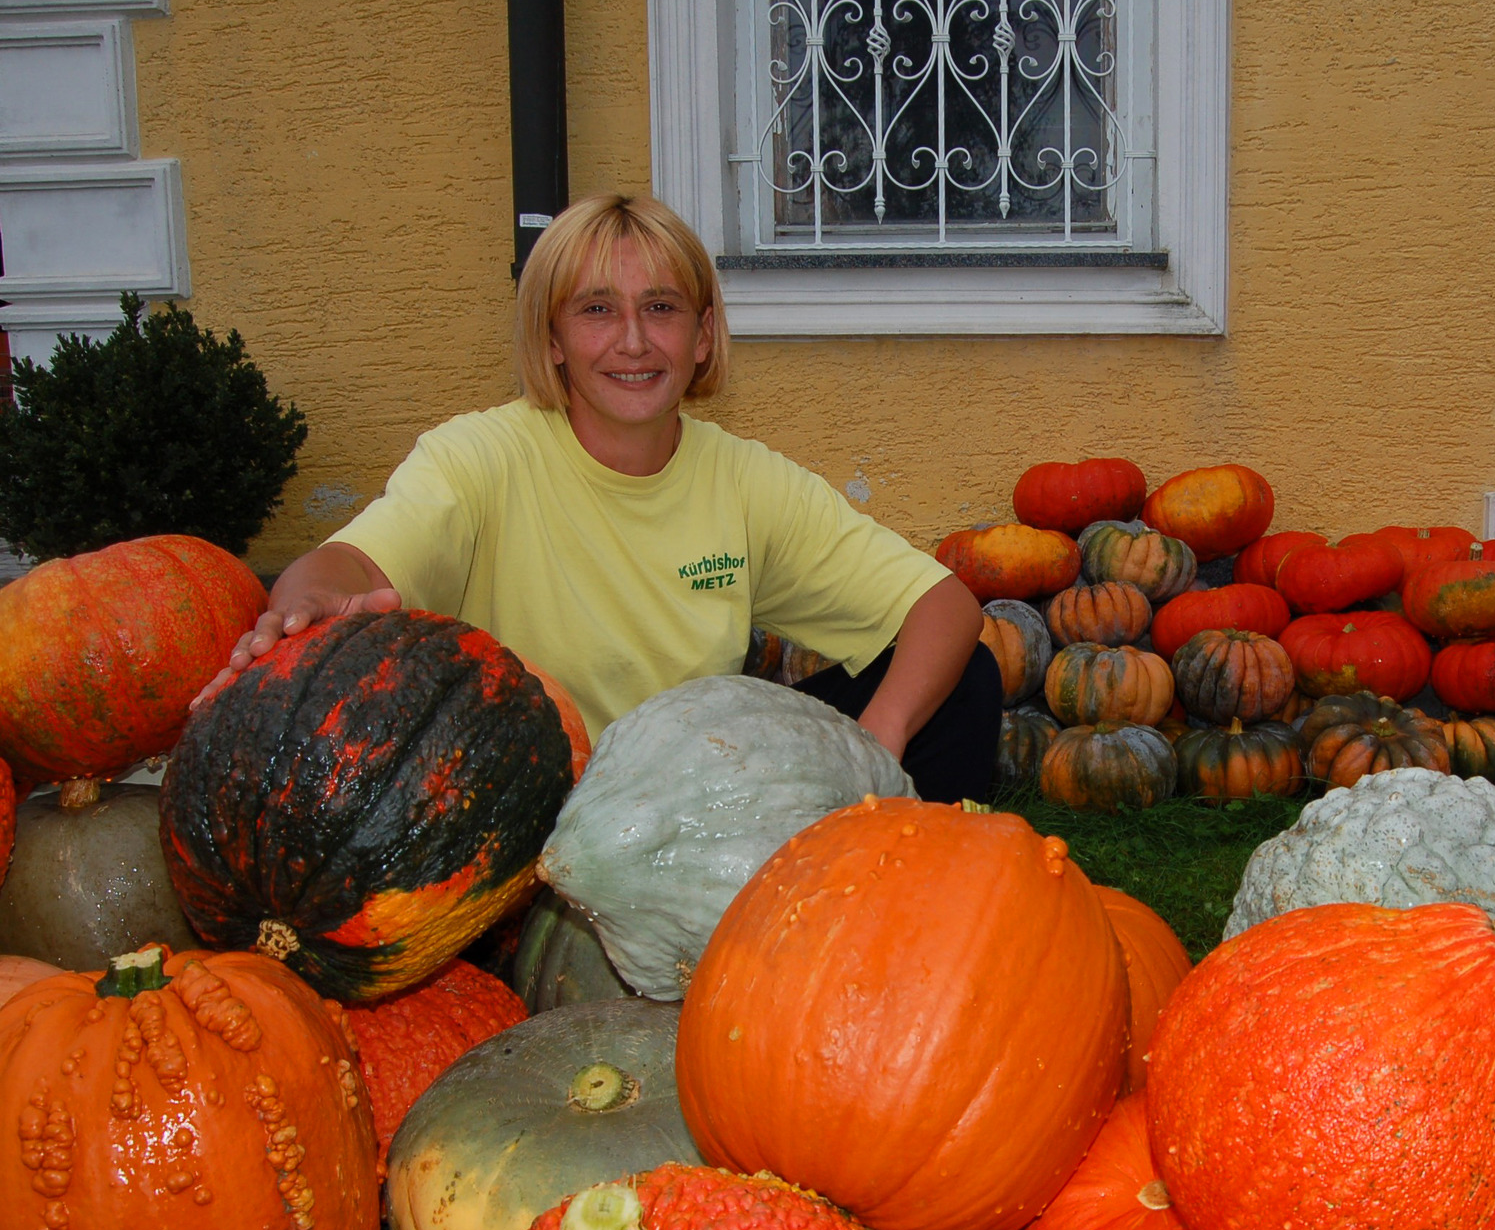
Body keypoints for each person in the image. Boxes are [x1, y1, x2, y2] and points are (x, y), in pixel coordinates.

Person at [202, 194, 999, 802]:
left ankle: (896, 892)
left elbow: (944, 606)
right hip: (523, 797)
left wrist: (877, 741)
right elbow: (344, 562)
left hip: (694, 793)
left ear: (702, 336)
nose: (632, 341)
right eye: (595, 311)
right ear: (552, 340)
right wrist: (301, 613)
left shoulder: (746, 479)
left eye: (660, 308)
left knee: (962, 684)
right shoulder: (481, 457)